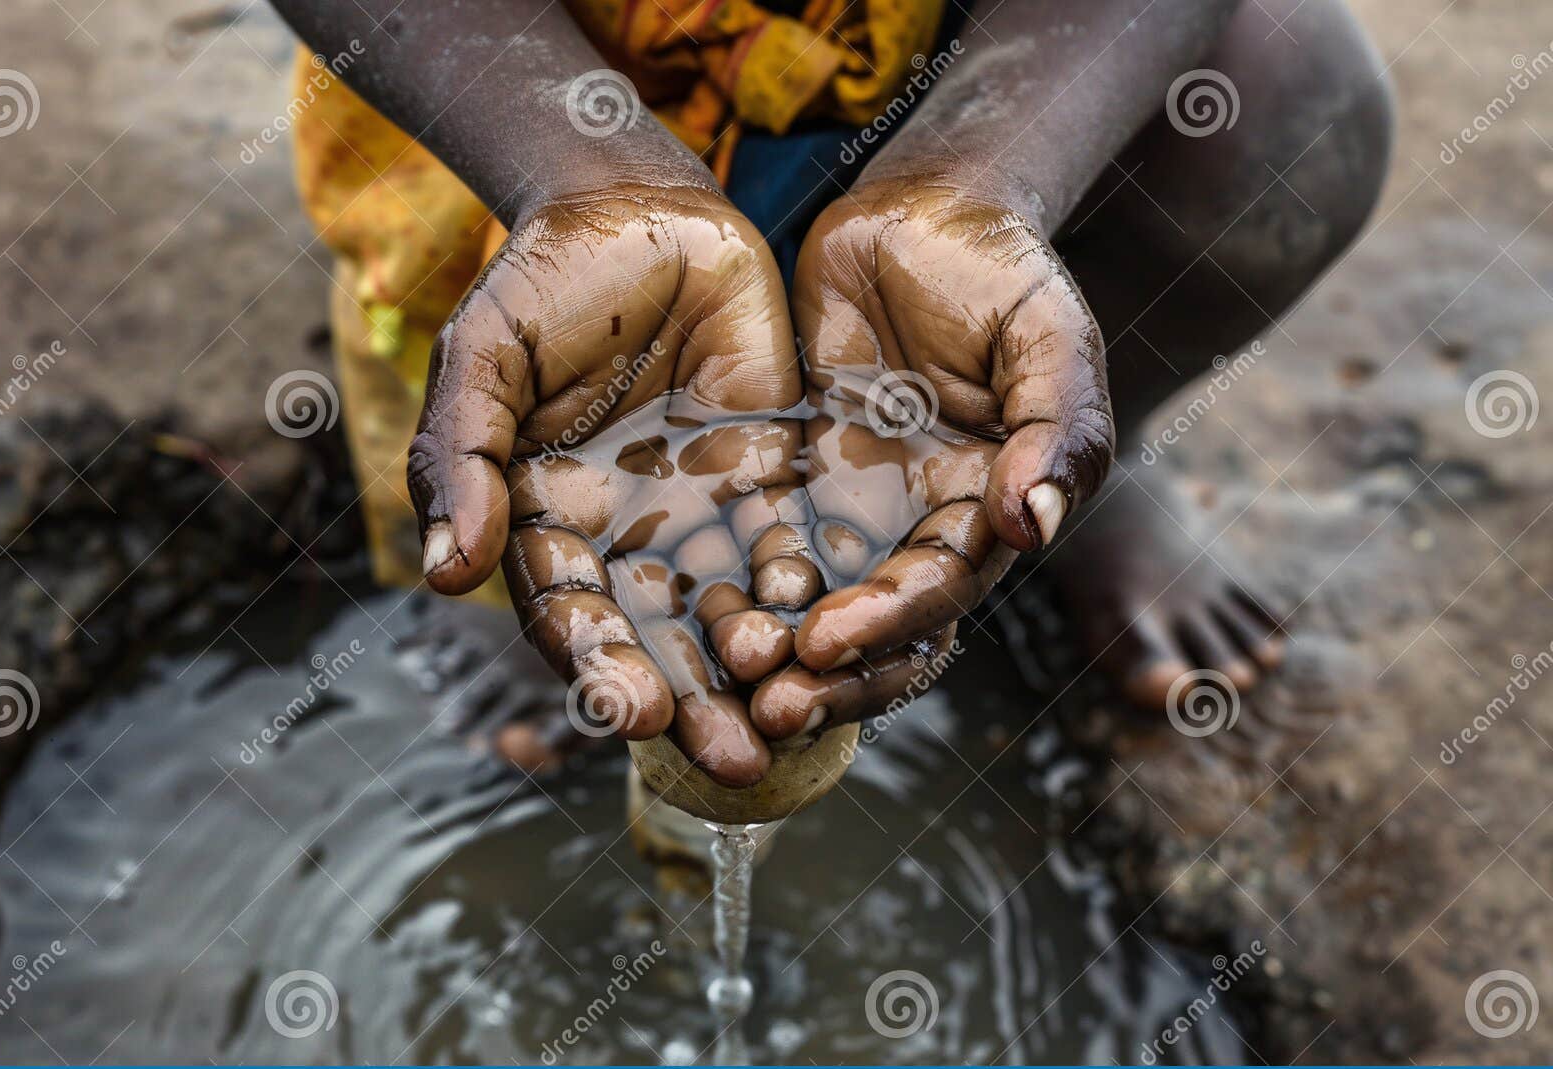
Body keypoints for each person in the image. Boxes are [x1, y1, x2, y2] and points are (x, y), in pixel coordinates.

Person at [274, 0, 1393, 783]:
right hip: (529, 63)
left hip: (955, 47)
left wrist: (974, 188)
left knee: (1290, 109)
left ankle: (1097, 445)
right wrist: (579, 184)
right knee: (530, 340)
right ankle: (499, 557)